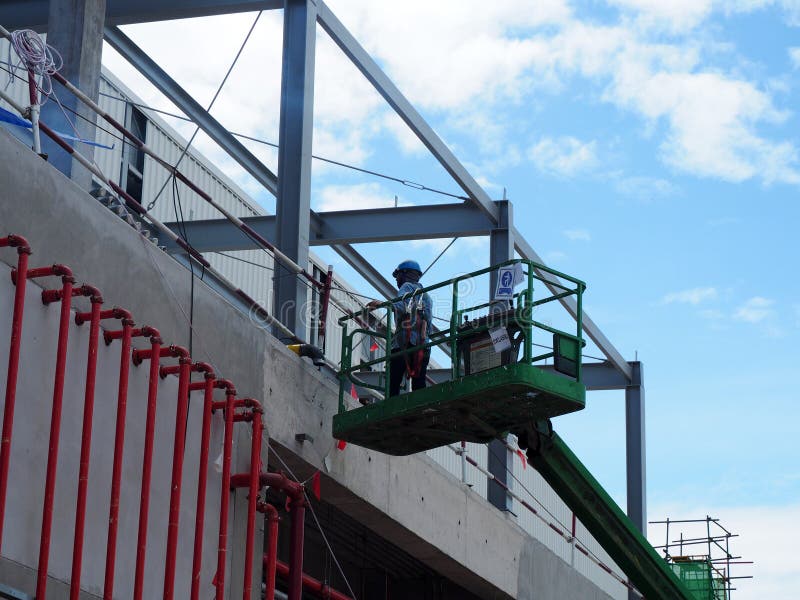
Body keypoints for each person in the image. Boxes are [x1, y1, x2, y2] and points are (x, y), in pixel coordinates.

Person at [368, 260, 433, 397]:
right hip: (423, 346)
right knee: (419, 383)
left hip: (404, 344)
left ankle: (390, 409)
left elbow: (402, 306)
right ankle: (421, 407)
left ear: (404, 274)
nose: (397, 280)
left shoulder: (406, 287)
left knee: (393, 382)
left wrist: (382, 304)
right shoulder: (426, 296)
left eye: (397, 276)